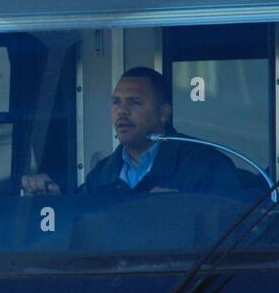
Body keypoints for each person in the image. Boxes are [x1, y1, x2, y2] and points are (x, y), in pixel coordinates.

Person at [22, 66, 242, 197]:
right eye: (116, 102)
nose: (122, 111)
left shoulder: (206, 165)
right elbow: (80, 227)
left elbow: (232, 231)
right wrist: (55, 199)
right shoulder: (102, 175)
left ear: (163, 113)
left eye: (135, 102)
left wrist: (182, 208)